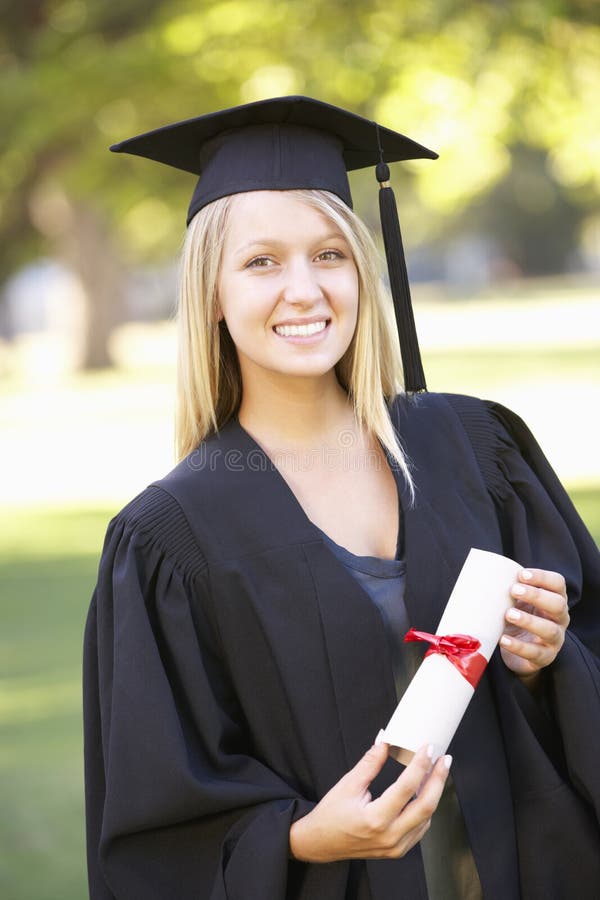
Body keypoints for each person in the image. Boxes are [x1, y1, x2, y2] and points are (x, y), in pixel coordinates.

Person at [83, 96, 600, 900]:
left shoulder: (475, 447)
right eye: (261, 262)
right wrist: (300, 839)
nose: (304, 290)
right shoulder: (171, 540)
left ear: (363, 265)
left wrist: (547, 662)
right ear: (211, 293)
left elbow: (590, 648)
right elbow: (154, 823)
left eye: (329, 254)